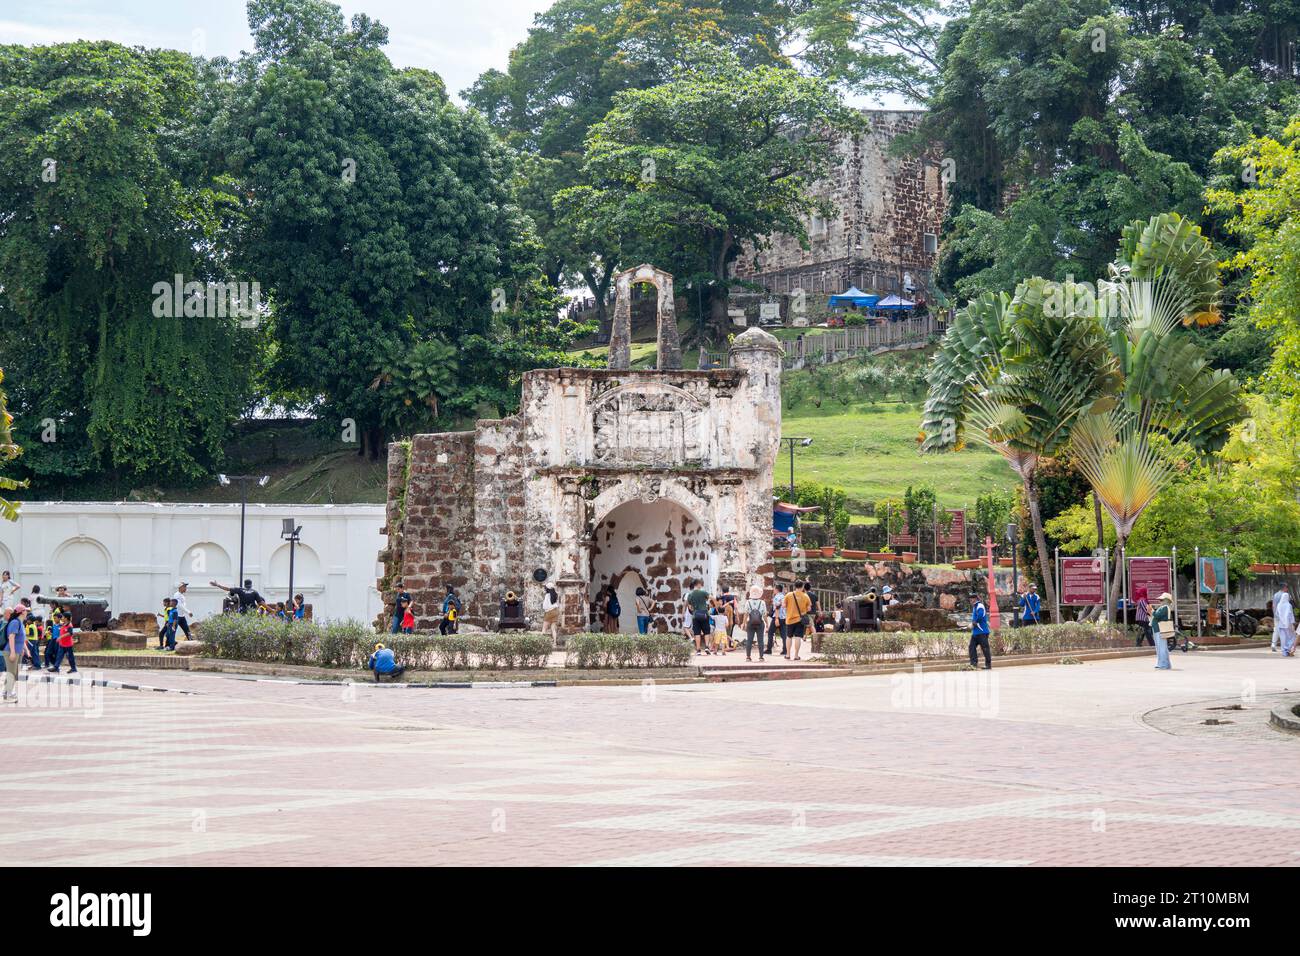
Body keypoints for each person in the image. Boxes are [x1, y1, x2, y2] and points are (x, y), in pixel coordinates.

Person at [783, 581, 812, 661]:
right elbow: (809, 608)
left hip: (790, 619)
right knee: (798, 637)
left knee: (789, 637)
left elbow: (783, 605)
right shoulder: (805, 596)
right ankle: (796, 656)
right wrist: (804, 610)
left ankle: (788, 655)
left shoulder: (788, 595)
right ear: (802, 586)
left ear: (795, 586)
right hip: (800, 620)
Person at [4, 604, 27, 702]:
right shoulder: (15, 622)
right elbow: (11, 637)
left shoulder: (20, 623)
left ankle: (6, 692)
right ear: (21, 612)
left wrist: (23, 649)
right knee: (11, 673)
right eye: (26, 610)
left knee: (14, 673)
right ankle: (8, 695)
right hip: (11, 651)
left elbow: (20, 639)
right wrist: (13, 652)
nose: (27, 612)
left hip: (17, 651)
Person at [686, 579, 712, 655]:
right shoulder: (703, 592)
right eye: (700, 584)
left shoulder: (690, 594)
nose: (701, 585)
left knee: (697, 633)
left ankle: (698, 650)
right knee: (706, 632)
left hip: (695, 616)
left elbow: (690, 607)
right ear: (698, 584)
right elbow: (712, 598)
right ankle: (707, 647)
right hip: (704, 614)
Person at [1151, 592, 1176, 669]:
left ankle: (1164, 664)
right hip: (1157, 629)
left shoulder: (1165, 608)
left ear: (1166, 600)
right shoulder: (1162, 608)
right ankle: (1162, 663)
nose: (1160, 601)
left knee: (1162, 647)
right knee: (1160, 647)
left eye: (1161, 600)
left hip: (1160, 629)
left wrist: (1152, 611)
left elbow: (1157, 616)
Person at [744, 584, 767, 662]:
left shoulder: (748, 602)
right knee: (760, 640)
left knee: (749, 640)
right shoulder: (762, 602)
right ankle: (761, 657)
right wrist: (767, 623)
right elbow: (764, 614)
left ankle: (748, 657)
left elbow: (746, 613)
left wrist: (744, 623)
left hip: (750, 623)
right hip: (760, 623)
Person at [969, 597, 991, 669]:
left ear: (975, 599)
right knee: (971, 647)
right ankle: (973, 663)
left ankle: (988, 665)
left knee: (985, 648)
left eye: (972, 599)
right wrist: (972, 624)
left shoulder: (980, 605)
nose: (970, 600)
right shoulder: (974, 607)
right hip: (975, 632)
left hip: (982, 632)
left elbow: (980, 616)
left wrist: (973, 623)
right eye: (970, 599)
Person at [767, 583, 786, 656]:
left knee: (770, 632)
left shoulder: (776, 597)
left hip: (777, 617)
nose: (773, 590)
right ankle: (785, 650)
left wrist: (777, 619)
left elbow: (777, 607)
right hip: (784, 617)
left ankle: (769, 649)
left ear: (777, 589)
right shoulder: (784, 597)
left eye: (774, 589)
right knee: (784, 634)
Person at [1278, 588, 1297, 657]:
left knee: (1283, 638)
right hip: (1288, 624)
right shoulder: (1289, 605)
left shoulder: (1279, 605)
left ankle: (1284, 652)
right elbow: (1290, 615)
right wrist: (1292, 624)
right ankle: (1288, 648)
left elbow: (1277, 614)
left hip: (1281, 624)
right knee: (1292, 637)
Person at [1271, 582, 1291, 652]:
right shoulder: (1285, 595)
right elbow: (1287, 607)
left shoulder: (1275, 594)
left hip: (1276, 616)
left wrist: (1275, 614)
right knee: (1284, 631)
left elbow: (1273, 606)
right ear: (1284, 587)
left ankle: (1273, 644)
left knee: (1276, 630)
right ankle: (1285, 646)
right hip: (1283, 616)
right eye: (1287, 587)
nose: (1287, 589)